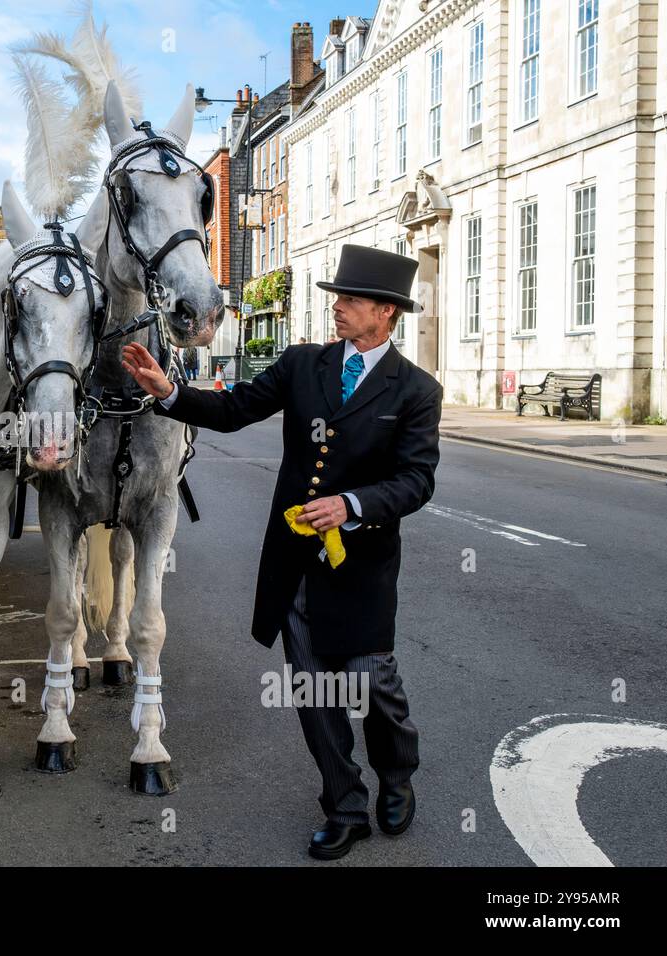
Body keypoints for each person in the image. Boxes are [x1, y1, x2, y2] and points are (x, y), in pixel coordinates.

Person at [121, 244, 440, 861]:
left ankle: (397, 774)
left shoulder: (416, 390)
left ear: (387, 313)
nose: (338, 307)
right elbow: (234, 410)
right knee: (316, 690)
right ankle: (345, 805)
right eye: (338, 297)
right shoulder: (302, 365)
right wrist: (168, 392)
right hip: (295, 562)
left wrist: (352, 506)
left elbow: (416, 480)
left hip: (363, 566)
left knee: (371, 682)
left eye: (351, 299)